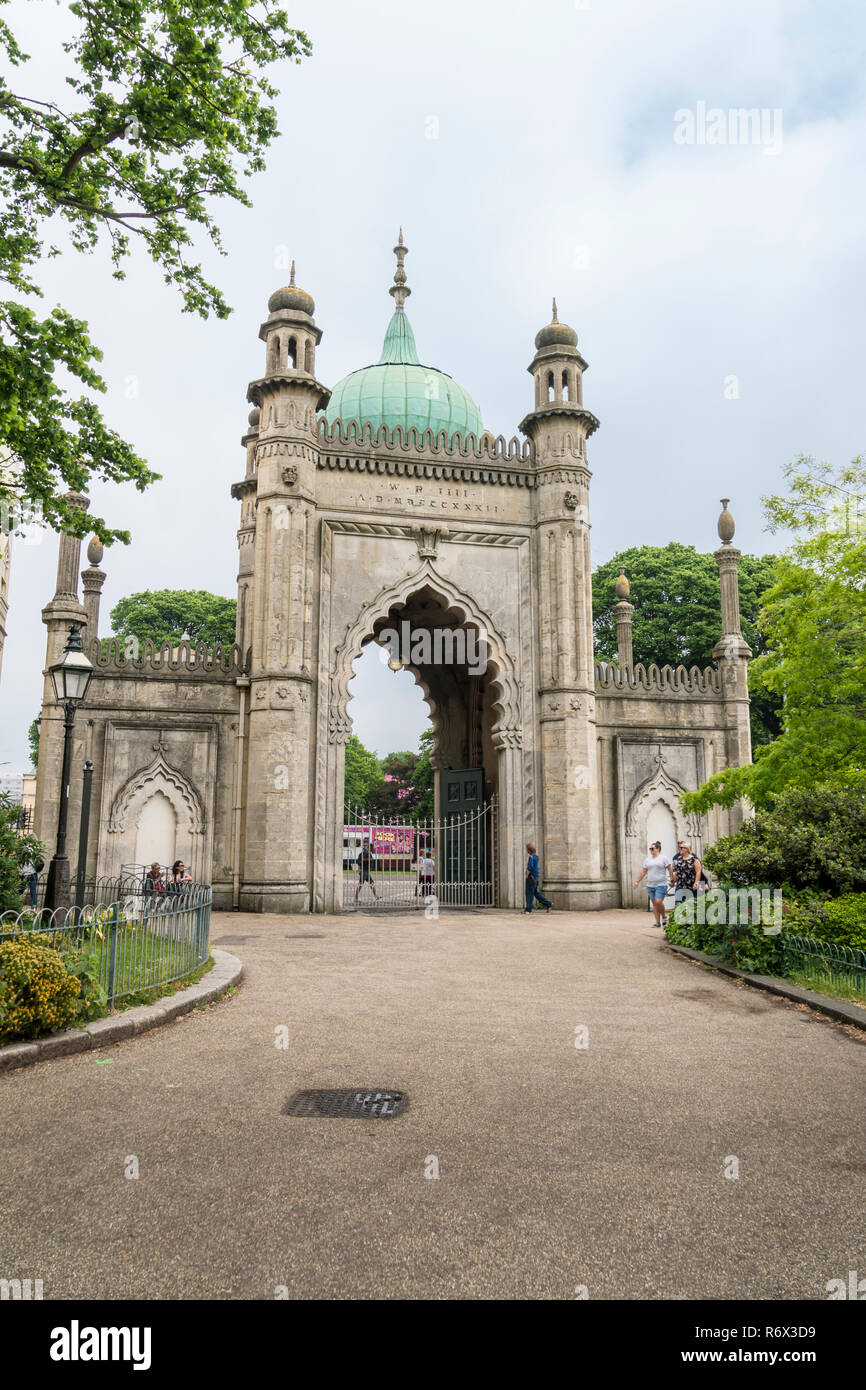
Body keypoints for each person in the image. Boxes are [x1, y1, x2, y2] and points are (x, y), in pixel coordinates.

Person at [634, 841, 672, 927]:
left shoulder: (664, 858)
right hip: (650, 885)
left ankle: (664, 916)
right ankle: (658, 923)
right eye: (650, 849)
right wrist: (637, 881)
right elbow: (643, 872)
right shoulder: (647, 860)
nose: (651, 850)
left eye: (652, 848)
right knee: (654, 904)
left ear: (658, 849)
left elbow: (670, 869)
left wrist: (672, 879)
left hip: (661, 884)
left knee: (658, 902)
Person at [671, 840, 702, 906]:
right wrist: (673, 881)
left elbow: (698, 872)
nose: (679, 849)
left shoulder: (694, 860)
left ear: (687, 849)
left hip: (691, 886)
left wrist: (696, 883)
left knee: (691, 905)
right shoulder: (678, 859)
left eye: (681, 848)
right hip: (680, 885)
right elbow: (676, 871)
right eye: (679, 847)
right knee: (678, 904)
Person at [524, 842, 552, 913]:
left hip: (531, 877)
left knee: (529, 893)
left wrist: (527, 874)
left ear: (528, 849)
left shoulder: (531, 857)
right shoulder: (536, 856)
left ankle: (528, 909)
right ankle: (548, 903)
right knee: (536, 893)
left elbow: (530, 866)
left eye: (526, 849)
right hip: (536, 877)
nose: (526, 850)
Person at [354, 839, 377, 904]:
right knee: (360, 884)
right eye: (366, 846)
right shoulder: (363, 853)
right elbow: (360, 861)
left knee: (371, 883)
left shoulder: (368, 853)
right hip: (364, 871)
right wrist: (368, 859)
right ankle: (356, 898)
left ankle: (376, 896)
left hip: (367, 871)